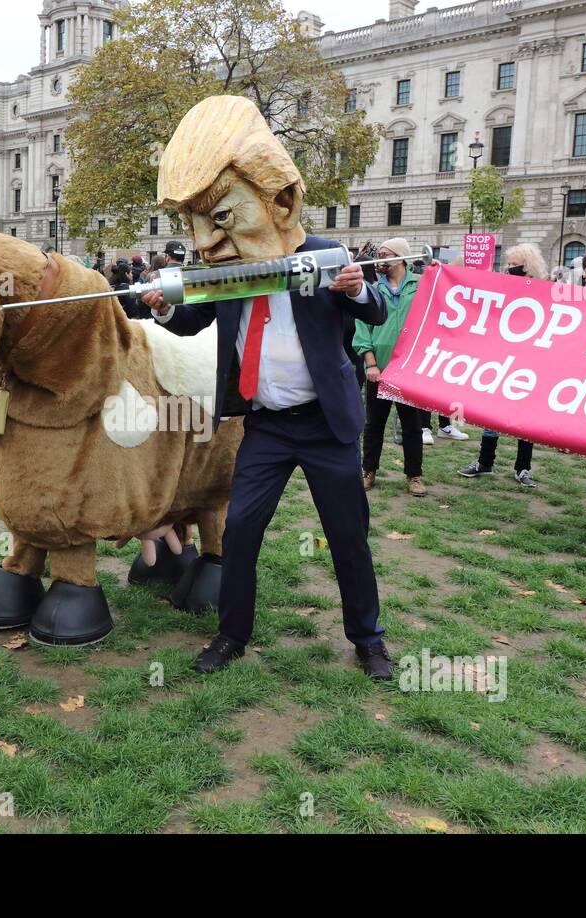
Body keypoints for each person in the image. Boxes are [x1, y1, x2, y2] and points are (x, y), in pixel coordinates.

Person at [141, 95, 394, 680]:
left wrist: (355, 289)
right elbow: (191, 319)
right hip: (267, 427)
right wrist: (159, 307)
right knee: (240, 531)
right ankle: (231, 634)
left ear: (280, 201)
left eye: (221, 218)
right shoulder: (223, 272)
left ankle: (368, 639)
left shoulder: (325, 256)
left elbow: (377, 311)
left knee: (347, 536)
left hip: (326, 426)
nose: (205, 242)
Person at [458, 244, 542, 487]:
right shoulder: (503, 287)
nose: (508, 268)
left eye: (512, 264)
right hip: (501, 359)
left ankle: (523, 467)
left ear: (526, 266)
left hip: (529, 362)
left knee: (525, 418)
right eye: (507, 264)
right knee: (492, 414)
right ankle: (485, 462)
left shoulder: (542, 290)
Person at [351, 237, 426, 496]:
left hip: (409, 372)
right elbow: (362, 328)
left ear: (400, 258)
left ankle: (414, 475)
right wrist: (370, 363)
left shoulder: (422, 286)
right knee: (374, 423)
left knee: (412, 425)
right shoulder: (372, 288)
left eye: (384, 255)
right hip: (378, 371)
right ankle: (368, 469)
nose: (379, 260)